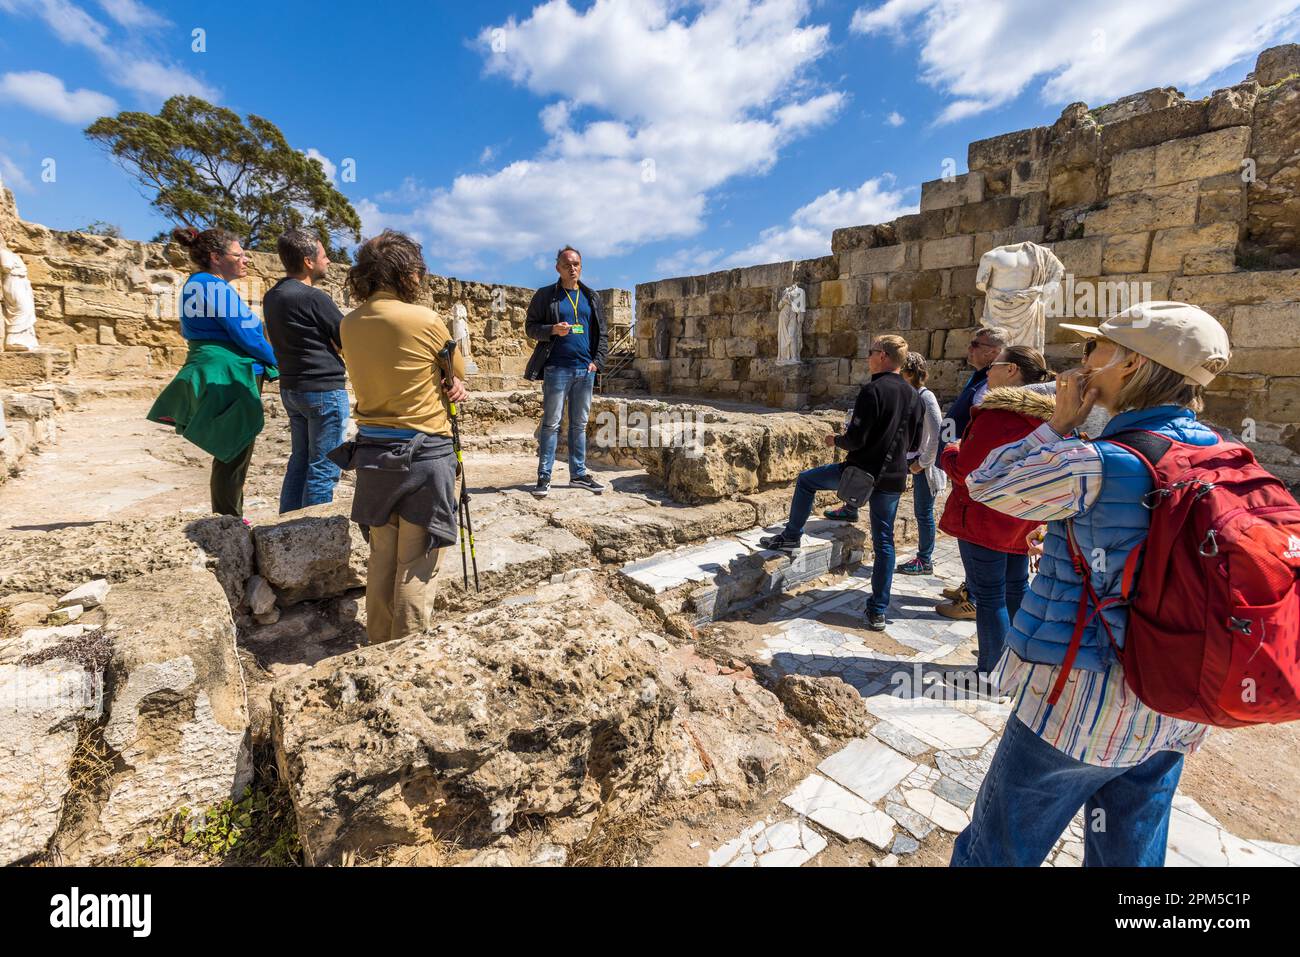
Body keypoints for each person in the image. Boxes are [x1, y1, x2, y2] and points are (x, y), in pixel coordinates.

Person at [950, 301, 1231, 867]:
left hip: (1081, 703)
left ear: (1128, 366)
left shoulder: (1095, 463)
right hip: (1175, 699)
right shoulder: (1223, 453)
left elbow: (987, 483)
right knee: (1128, 854)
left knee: (998, 849)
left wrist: (1059, 424)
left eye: (1093, 350)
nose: (1080, 362)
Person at [331, 231, 466, 644]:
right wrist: (451, 379)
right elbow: (458, 369)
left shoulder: (349, 324)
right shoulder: (424, 319)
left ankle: (376, 644)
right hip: (425, 457)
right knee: (417, 564)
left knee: (383, 559)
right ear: (406, 273)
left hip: (373, 455)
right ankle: (403, 657)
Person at [759, 335, 923, 632]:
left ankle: (791, 535)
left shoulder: (872, 390)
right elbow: (913, 440)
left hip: (860, 472)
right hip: (894, 477)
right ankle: (878, 610)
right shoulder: (915, 395)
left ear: (884, 357)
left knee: (807, 480)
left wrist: (836, 439)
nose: (867, 357)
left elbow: (856, 440)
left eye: (871, 352)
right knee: (884, 542)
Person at [935, 346, 1052, 678]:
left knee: (989, 595)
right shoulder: (1051, 417)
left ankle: (992, 671)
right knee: (1016, 586)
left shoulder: (1000, 417)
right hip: (1023, 517)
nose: (988, 372)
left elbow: (966, 472)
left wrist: (951, 450)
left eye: (995, 366)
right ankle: (1018, 661)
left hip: (986, 517)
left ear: (1012, 371)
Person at [147, 226, 278, 518]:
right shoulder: (213, 286)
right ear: (216, 257)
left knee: (230, 447)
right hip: (230, 372)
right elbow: (247, 333)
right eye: (239, 254)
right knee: (234, 448)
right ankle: (229, 519)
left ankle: (230, 515)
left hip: (214, 365)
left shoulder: (195, 284)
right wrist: (280, 363)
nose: (246, 260)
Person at [262, 229, 350, 513]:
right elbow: (345, 338)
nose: (328, 262)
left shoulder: (272, 296)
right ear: (308, 261)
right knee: (324, 467)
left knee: (299, 461)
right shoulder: (314, 298)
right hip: (323, 389)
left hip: (292, 388)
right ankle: (313, 534)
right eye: (324, 256)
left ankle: (286, 525)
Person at [523, 245, 609, 498]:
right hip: (556, 369)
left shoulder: (591, 296)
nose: (573, 268)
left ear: (581, 266)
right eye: (567, 264)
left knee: (579, 425)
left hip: (585, 369)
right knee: (551, 424)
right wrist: (551, 329)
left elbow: (601, 333)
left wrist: (597, 362)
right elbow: (530, 328)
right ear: (558, 268)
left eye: (576, 264)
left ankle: (578, 475)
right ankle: (544, 475)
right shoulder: (546, 295)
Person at [936, 326, 1009, 611]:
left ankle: (975, 599)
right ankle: (971, 586)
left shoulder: (990, 385)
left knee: (973, 533)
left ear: (993, 352)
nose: (969, 349)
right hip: (960, 461)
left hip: (970, 467)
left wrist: (953, 450)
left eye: (975, 344)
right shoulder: (980, 377)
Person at [894, 352, 946, 575]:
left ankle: (925, 560)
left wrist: (923, 463)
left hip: (924, 465)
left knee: (923, 512)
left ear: (910, 373)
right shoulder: (908, 395)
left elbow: (937, 434)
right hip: (907, 459)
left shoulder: (926, 397)